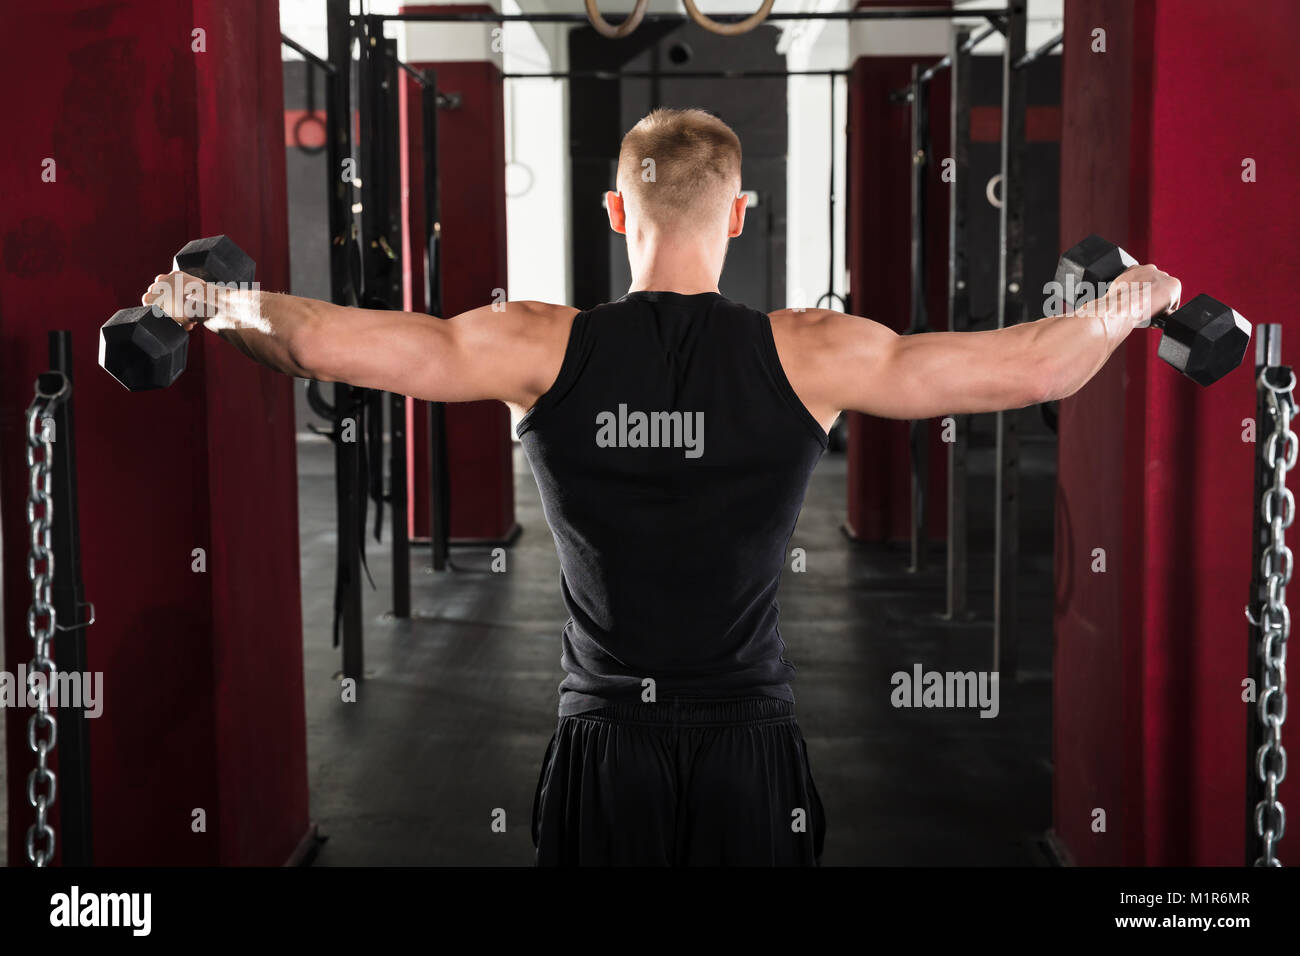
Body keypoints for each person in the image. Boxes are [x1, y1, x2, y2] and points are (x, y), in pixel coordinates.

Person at [143, 107, 1180, 866]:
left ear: (612, 209)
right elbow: (1037, 365)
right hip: (750, 746)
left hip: (605, 746)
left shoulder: (534, 343)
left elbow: (326, 344)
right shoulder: (815, 351)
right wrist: (1133, 298)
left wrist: (211, 299)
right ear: (738, 216)